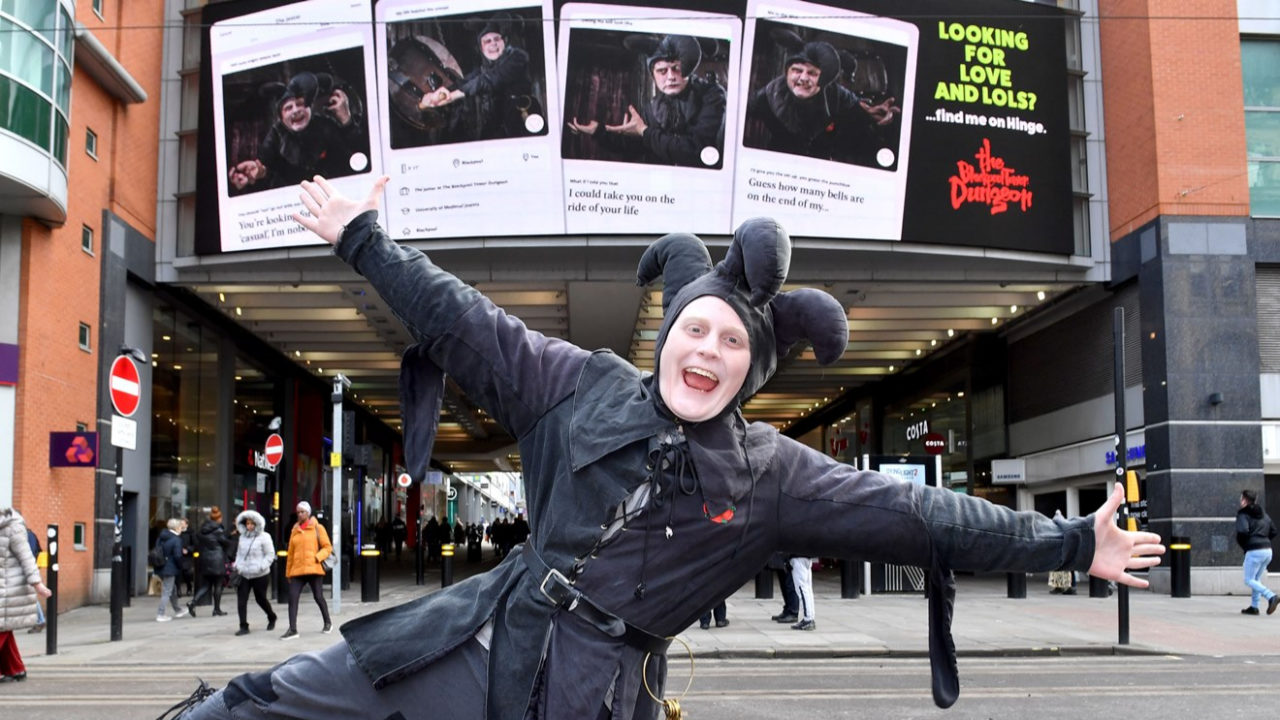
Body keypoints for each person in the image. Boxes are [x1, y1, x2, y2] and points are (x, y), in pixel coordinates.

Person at [179, 176, 1164, 719]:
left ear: (750, 371)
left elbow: (919, 514)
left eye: (731, 343)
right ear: (669, 334)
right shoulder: (579, 384)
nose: (707, 350)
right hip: (481, 634)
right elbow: (465, 321)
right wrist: (363, 238)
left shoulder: (771, 474)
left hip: (597, 693)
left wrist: (1071, 542)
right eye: (696, 328)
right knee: (280, 697)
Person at [567, 34, 726, 167]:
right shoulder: (654, 106)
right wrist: (599, 132)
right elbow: (638, 146)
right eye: (662, 71)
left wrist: (644, 131)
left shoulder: (712, 96)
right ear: (653, 76)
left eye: (676, 68)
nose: (670, 77)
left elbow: (696, 151)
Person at [744, 39, 900, 163]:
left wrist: (873, 114)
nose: (803, 78)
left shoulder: (836, 94)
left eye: (812, 73)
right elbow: (741, 110)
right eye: (797, 70)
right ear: (787, 72)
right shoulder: (769, 94)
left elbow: (858, 108)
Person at [228, 71, 366, 192]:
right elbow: (267, 166)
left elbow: (355, 155)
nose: (296, 110)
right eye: (288, 108)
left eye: (300, 104)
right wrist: (259, 172)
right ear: (281, 117)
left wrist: (346, 120)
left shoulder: (325, 126)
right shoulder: (276, 135)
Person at [418, 21, 537, 141]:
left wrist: (451, 96)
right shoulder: (484, 68)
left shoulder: (518, 57)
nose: (493, 43)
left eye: (497, 39)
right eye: (487, 41)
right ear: (482, 48)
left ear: (504, 42)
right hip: (497, 124)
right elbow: (462, 83)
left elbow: (487, 80)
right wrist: (437, 95)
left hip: (522, 119)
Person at [0, 508, 52, 681]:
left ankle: (16, 669)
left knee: (1, 629)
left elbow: (27, 558)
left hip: (9, 590)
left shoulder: (13, 527)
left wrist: (38, 584)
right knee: (4, 630)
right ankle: (16, 669)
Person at [282, 501, 333, 640]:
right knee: (292, 597)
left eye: (302, 512)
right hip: (298, 570)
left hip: (313, 568)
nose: (300, 514)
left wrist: (317, 557)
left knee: (318, 596)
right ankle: (293, 629)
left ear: (308, 513)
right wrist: (288, 573)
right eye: (298, 512)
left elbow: (327, 547)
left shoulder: (317, 527)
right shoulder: (294, 530)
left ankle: (327, 622)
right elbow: (291, 553)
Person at [231, 510, 278, 636]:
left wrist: (261, 566)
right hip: (244, 573)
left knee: (261, 599)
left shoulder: (265, 537)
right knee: (241, 600)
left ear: (257, 524)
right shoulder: (242, 537)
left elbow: (270, 554)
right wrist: (237, 565)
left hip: (260, 574)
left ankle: (271, 616)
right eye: (247, 523)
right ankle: (243, 626)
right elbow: (239, 554)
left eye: (252, 524)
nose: (249, 526)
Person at [1236, 489, 1279, 615]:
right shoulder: (1264, 514)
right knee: (1256, 578)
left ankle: (1271, 596)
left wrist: (1247, 544)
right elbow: (1274, 531)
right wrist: (1263, 541)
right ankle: (1254, 607)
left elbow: (1243, 531)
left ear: (1244, 500)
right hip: (1267, 551)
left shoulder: (1243, 514)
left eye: (1241, 498)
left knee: (1248, 580)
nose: (1240, 501)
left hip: (1254, 551)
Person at [189, 506, 231, 617]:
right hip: (217, 560)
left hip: (205, 560)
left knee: (206, 585)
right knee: (218, 585)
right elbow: (226, 543)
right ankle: (216, 609)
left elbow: (198, 543)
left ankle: (193, 602)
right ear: (218, 519)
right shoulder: (219, 531)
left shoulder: (202, 531)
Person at [155, 518, 190, 622]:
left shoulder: (162, 537)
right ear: (176, 528)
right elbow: (177, 556)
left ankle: (178, 610)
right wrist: (181, 566)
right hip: (170, 568)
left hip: (161, 566)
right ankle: (160, 614)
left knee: (172, 589)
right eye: (180, 527)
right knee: (167, 591)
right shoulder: (176, 539)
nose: (181, 529)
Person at [766, 551, 799, 623]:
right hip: (782, 554)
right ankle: (788, 609)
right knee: (784, 583)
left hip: (788, 554)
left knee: (790, 584)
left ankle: (793, 612)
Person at [24, 525, 45, 633]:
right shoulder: (29, 534)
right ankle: (40, 620)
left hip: (26, 569)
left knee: (29, 595)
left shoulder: (26, 535)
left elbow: (29, 553)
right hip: (29, 568)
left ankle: (40, 620)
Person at [789, 556, 816, 631]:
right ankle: (810, 617)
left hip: (798, 558)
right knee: (807, 589)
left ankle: (808, 619)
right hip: (807, 557)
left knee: (802, 590)